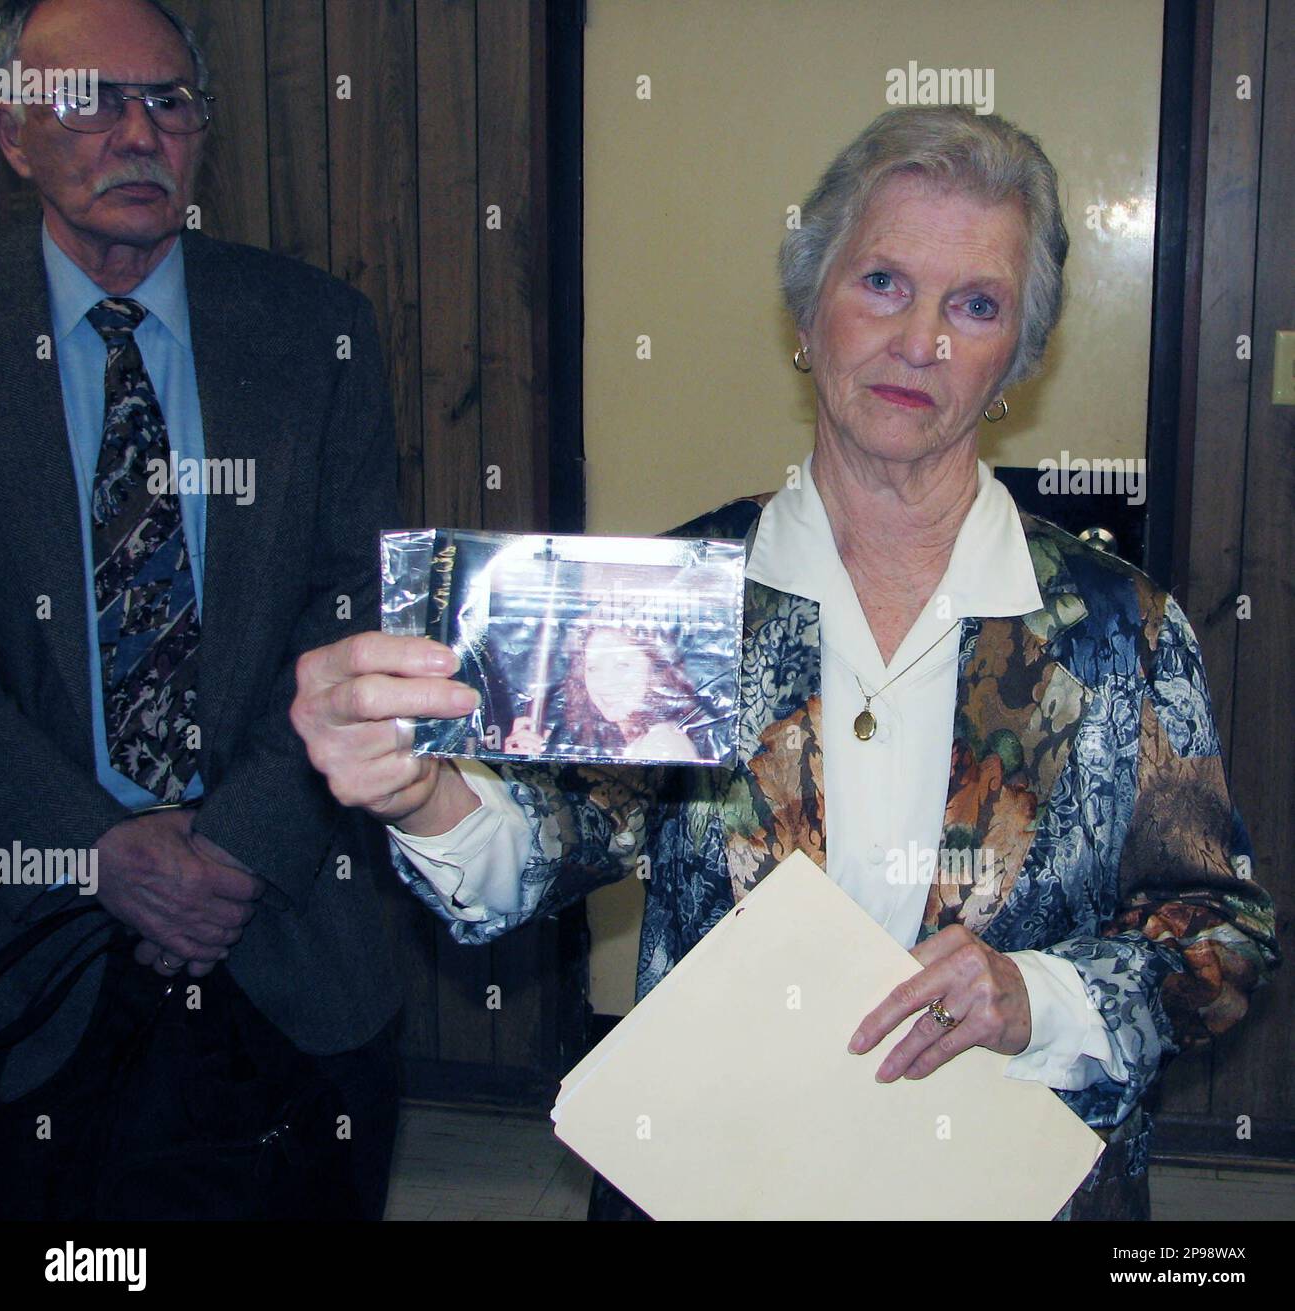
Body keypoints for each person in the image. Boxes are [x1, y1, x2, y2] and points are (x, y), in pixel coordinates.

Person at [290, 105, 1280, 1221]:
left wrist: (1038, 995)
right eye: (882, 284)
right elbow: (547, 840)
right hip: (715, 1181)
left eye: (976, 305)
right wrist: (419, 791)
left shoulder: (1118, 629)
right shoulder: (688, 591)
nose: (922, 342)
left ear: (1018, 359)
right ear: (806, 314)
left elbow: (1220, 937)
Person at [0, 0, 401, 1220]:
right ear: (13, 132)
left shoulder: (314, 329)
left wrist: (231, 847)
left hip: (284, 923)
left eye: (169, 101)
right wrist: (102, 846)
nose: (137, 132)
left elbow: (361, 595)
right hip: (31, 946)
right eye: (90, 100)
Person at [504, 619, 706, 762]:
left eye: (622, 666)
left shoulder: (663, 746)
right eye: (593, 668)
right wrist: (529, 760)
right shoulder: (619, 741)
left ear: (655, 670)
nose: (605, 683)